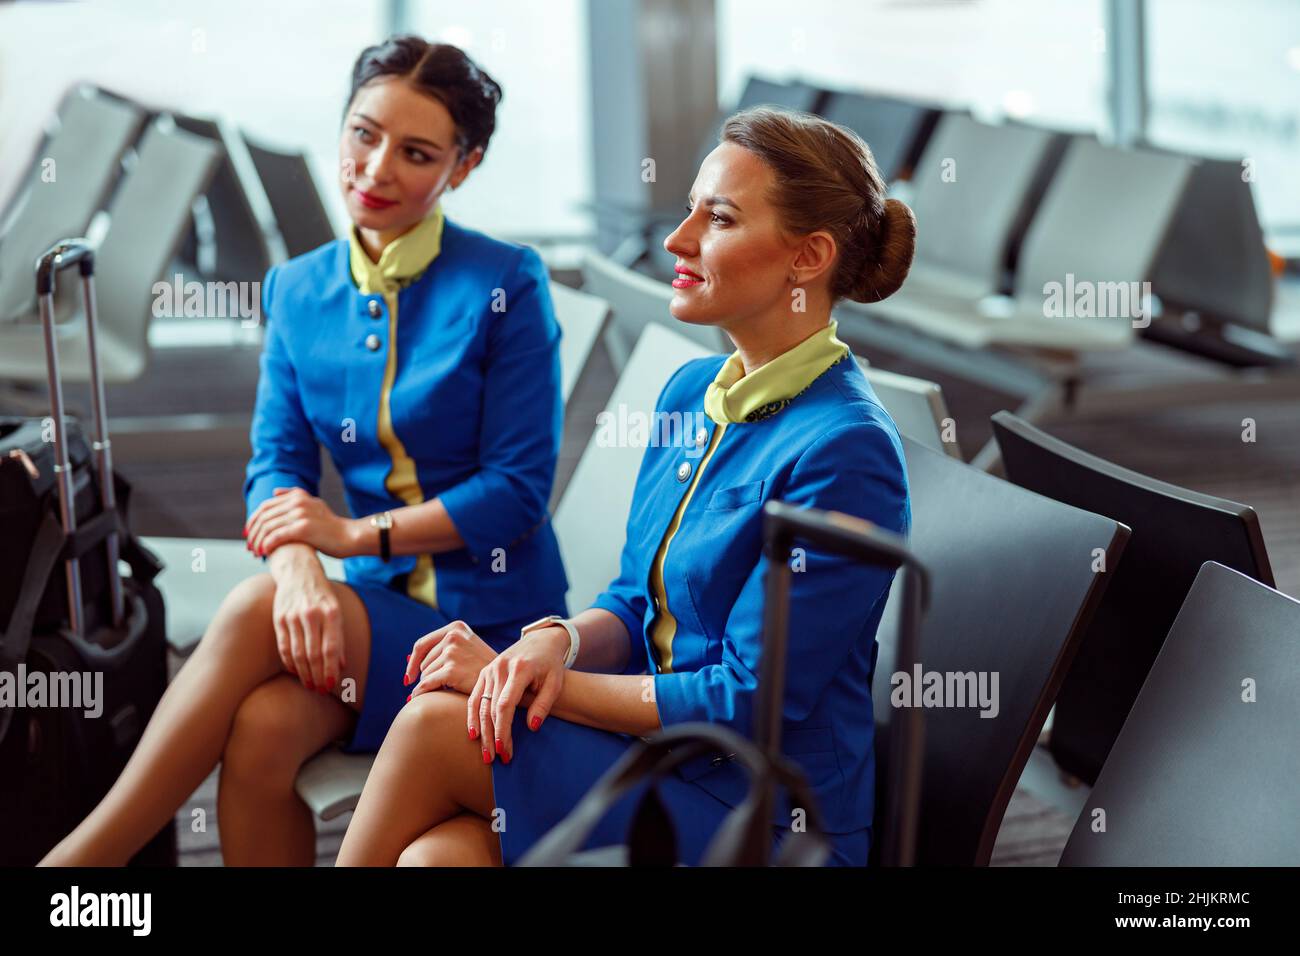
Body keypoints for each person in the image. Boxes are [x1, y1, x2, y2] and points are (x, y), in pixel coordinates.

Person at [336, 105, 916, 867]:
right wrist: (557, 639)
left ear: (807, 257)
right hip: (658, 760)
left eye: (719, 219)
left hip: (768, 815)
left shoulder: (848, 450)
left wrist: (524, 676)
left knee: (435, 725)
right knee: (439, 859)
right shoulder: (689, 391)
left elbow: (747, 702)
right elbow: (636, 601)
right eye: (688, 211)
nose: (677, 242)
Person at [40, 36, 568, 866]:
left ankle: (76, 866)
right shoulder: (297, 289)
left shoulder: (507, 283)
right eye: (363, 134)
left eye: (416, 152)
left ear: (461, 169)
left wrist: (351, 540)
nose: (376, 168)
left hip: (491, 628)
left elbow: (517, 495)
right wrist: (295, 568)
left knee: (247, 614)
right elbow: (274, 467)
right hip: (370, 620)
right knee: (262, 730)